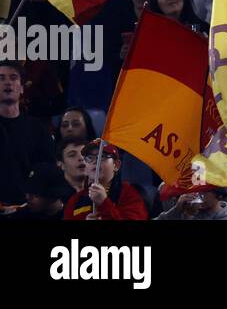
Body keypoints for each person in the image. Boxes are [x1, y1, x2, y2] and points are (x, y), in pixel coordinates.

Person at [0, 62, 56, 210]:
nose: (7, 82)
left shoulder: (38, 129)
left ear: (22, 88)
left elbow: (46, 169)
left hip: (28, 208)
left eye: (13, 78)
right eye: (1, 78)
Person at [62, 139, 147, 220]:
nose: (95, 161)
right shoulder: (75, 200)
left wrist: (104, 203)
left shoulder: (130, 194)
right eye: (89, 158)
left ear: (116, 165)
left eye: (102, 156)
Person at [155, 184, 227, 220]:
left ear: (219, 195)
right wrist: (176, 210)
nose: (197, 194)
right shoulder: (184, 216)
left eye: (204, 191)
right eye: (193, 189)